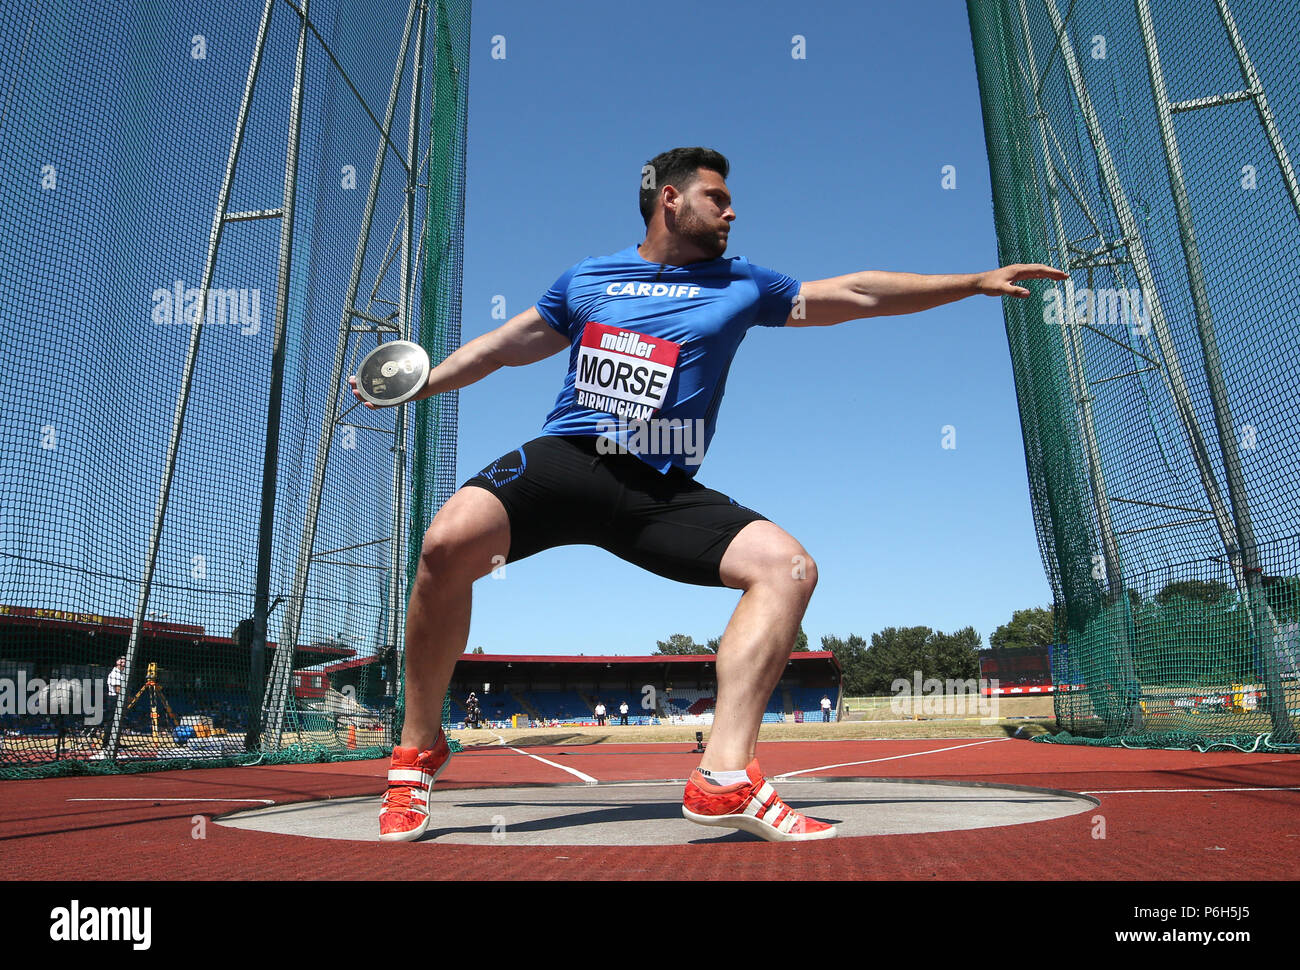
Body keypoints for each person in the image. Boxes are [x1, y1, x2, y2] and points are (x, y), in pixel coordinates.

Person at [354, 146, 1065, 843]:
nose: (732, 210)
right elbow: (502, 347)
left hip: (659, 483)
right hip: (568, 458)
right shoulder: (588, 278)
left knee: (788, 568)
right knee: (446, 542)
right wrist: (415, 383)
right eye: (717, 197)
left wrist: (972, 280)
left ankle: (724, 776)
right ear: (670, 198)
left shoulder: (743, 284)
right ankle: (418, 751)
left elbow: (856, 292)